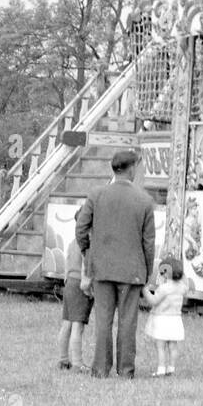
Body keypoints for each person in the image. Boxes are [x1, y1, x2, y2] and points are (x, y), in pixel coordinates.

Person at [75, 150, 156, 380]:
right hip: (132, 271)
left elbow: (81, 229)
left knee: (103, 320)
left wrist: (88, 253)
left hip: (101, 268)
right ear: (131, 169)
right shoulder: (144, 200)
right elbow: (149, 243)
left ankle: (100, 369)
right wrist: (147, 272)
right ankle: (126, 370)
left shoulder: (96, 195)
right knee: (128, 322)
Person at [142, 256, 191, 377]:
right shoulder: (181, 287)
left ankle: (161, 369)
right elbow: (187, 285)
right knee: (173, 346)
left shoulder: (164, 289)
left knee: (160, 346)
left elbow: (154, 301)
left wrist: (146, 291)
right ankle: (171, 368)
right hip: (175, 320)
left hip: (162, 320)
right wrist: (182, 275)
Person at [56, 237, 93, 371]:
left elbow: (67, 263)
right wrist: (87, 288)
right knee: (78, 326)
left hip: (69, 283)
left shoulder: (72, 241)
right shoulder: (87, 242)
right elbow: (85, 265)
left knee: (66, 323)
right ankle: (78, 363)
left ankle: (63, 359)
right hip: (80, 284)